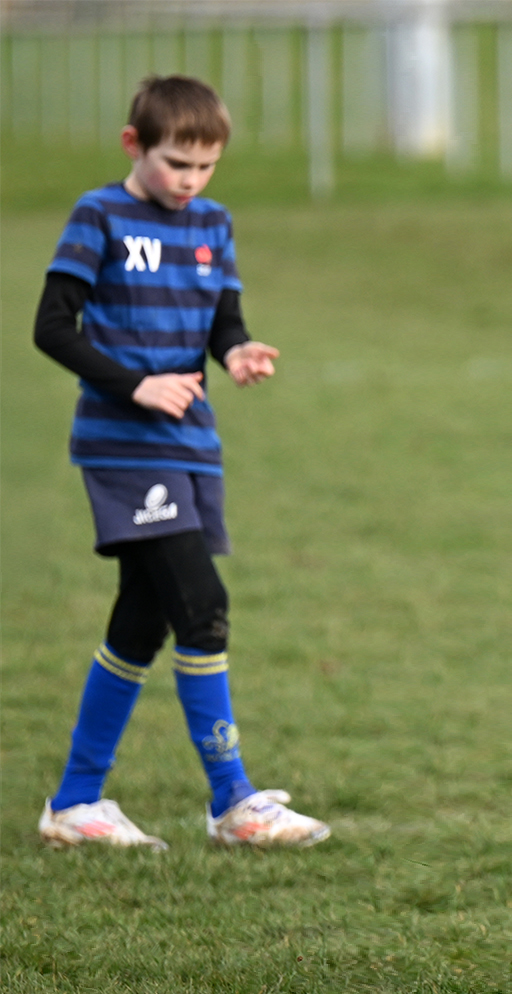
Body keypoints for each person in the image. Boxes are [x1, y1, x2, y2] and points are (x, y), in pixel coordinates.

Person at [31, 76, 330, 851]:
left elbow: (222, 321)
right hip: (125, 446)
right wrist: (134, 384)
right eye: (175, 163)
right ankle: (233, 801)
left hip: (193, 444)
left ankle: (76, 802)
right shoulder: (100, 215)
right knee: (203, 606)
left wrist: (238, 352)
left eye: (205, 167)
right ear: (134, 144)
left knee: (143, 619)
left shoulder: (213, 225)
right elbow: (51, 326)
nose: (190, 180)